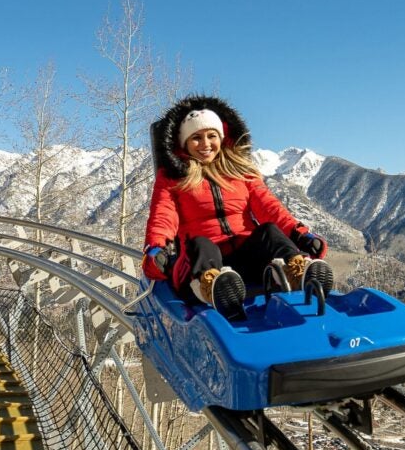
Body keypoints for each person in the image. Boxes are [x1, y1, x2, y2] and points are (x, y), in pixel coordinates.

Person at [141, 95, 334, 319]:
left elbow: (270, 208)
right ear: (184, 143)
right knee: (200, 243)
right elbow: (162, 217)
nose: (205, 144)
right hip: (201, 262)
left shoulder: (241, 172)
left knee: (269, 231)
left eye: (212, 136)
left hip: (246, 256)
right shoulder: (173, 178)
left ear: (222, 138)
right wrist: (156, 250)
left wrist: (300, 235)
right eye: (196, 138)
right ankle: (213, 287)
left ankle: (298, 271)